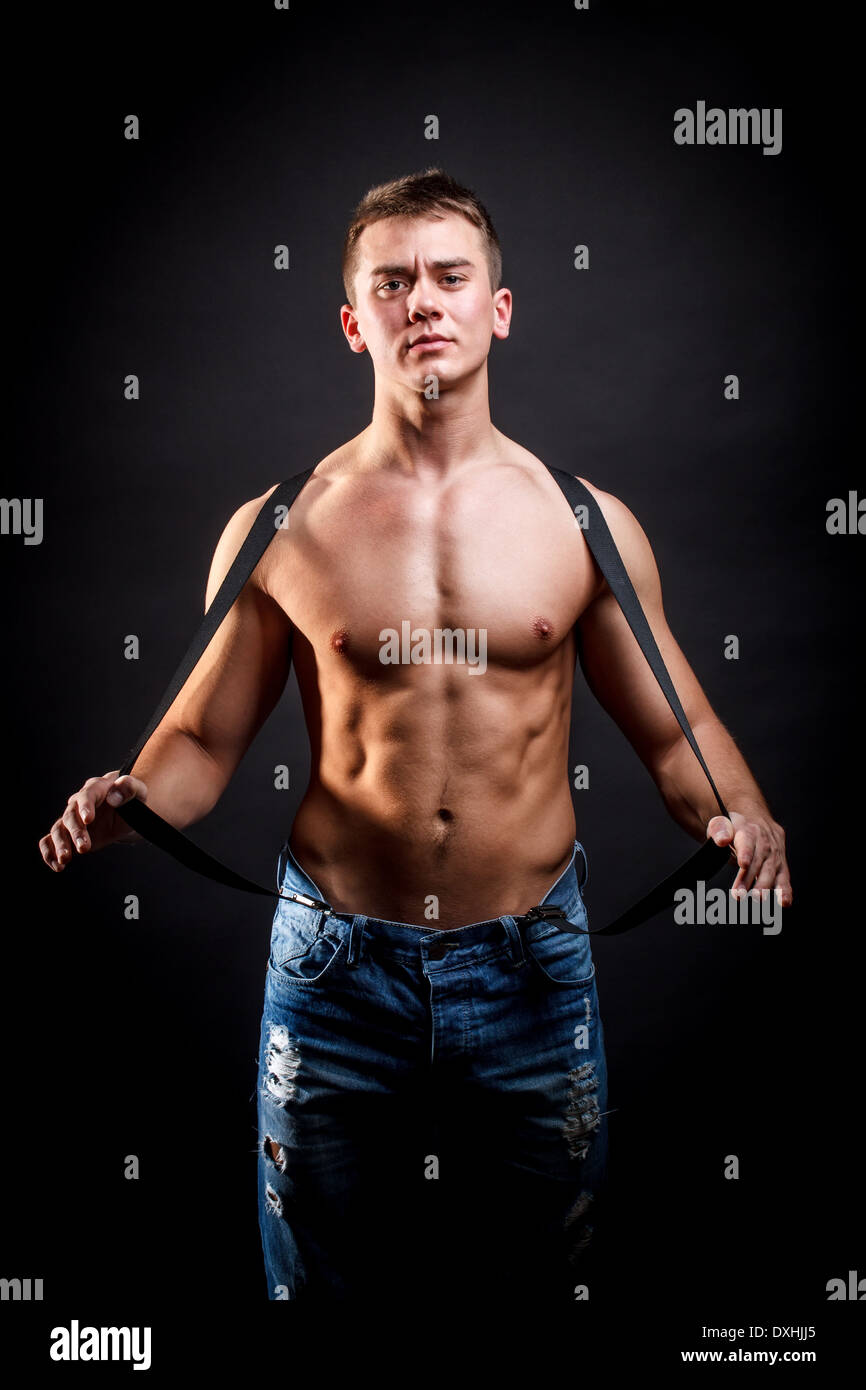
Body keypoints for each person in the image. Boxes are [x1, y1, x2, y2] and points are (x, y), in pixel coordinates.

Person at [38, 168, 792, 1309]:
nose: (420, 301)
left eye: (449, 275)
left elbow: (678, 733)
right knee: (320, 1298)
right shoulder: (281, 527)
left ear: (499, 308)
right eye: (390, 282)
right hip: (335, 970)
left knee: (548, 1291)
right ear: (353, 321)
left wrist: (746, 818)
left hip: (529, 968)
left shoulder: (581, 523)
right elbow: (197, 738)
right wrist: (129, 795)